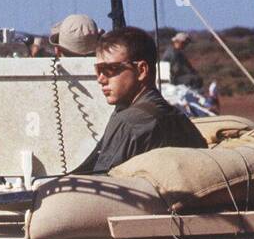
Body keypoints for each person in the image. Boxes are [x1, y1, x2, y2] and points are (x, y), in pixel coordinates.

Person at [79, 26, 206, 175]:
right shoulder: (178, 116)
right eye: (98, 70)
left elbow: (102, 185)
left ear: (141, 70)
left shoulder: (129, 122)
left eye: (110, 69)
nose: (100, 79)